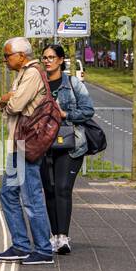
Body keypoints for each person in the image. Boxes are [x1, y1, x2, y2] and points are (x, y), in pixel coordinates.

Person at [0, 37, 56, 264]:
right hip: (18, 144)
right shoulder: (23, 74)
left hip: (26, 145)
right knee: (8, 194)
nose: (5, 60)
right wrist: (5, 100)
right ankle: (20, 245)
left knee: (31, 197)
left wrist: (5, 100)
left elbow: (15, 105)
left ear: (22, 55)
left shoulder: (31, 73)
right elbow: (8, 103)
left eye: (8, 55)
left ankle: (43, 249)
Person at [38, 44, 95, 255]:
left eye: (52, 57)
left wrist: (65, 115)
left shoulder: (72, 83)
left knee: (62, 188)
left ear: (61, 60)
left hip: (70, 145)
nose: (47, 61)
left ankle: (63, 237)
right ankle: (54, 236)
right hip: (44, 145)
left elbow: (88, 110)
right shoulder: (38, 84)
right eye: (44, 57)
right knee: (50, 191)